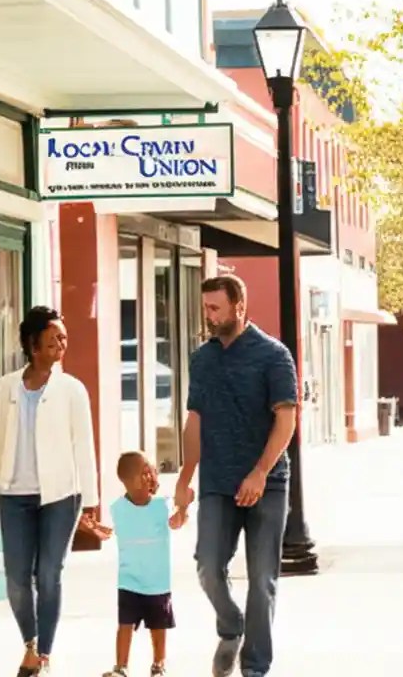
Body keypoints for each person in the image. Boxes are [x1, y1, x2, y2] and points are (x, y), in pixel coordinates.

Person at [0, 306, 109, 676]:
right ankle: (30, 644)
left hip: (60, 497)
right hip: (15, 496)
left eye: (64, 338)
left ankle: (43, 656)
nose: (62, 344)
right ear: (34, 344)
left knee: (49, 574)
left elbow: (84, 446)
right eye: (54, 340)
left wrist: (91, 503)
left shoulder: (72, 390)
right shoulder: (4, 388)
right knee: (17, 579)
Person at [174, 275, 297, 677]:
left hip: (267, 483)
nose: (208, 316)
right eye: (206, 307)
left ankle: (254, 668)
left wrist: (260, 472)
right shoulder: (202, 359)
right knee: (208, 567)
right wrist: (184, 477)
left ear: (239, 307)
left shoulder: (273, 355)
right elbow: (195, 419)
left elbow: (286, 419)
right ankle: (231, 627)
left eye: (216, 308)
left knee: (262, 580)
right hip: (216, 483)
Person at [102, 452, 188, 677]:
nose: (151, 475)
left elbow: (177, 522)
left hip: (157, 582)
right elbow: (108, 531)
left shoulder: (163, 505)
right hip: (129, 579)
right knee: (125, 625)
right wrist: (91, 528)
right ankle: (121, 666)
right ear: (129, 481)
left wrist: (184, 508)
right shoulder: (117, 509)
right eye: (145, 472)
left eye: (151, 470)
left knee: (158, 626)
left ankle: (159, 664)